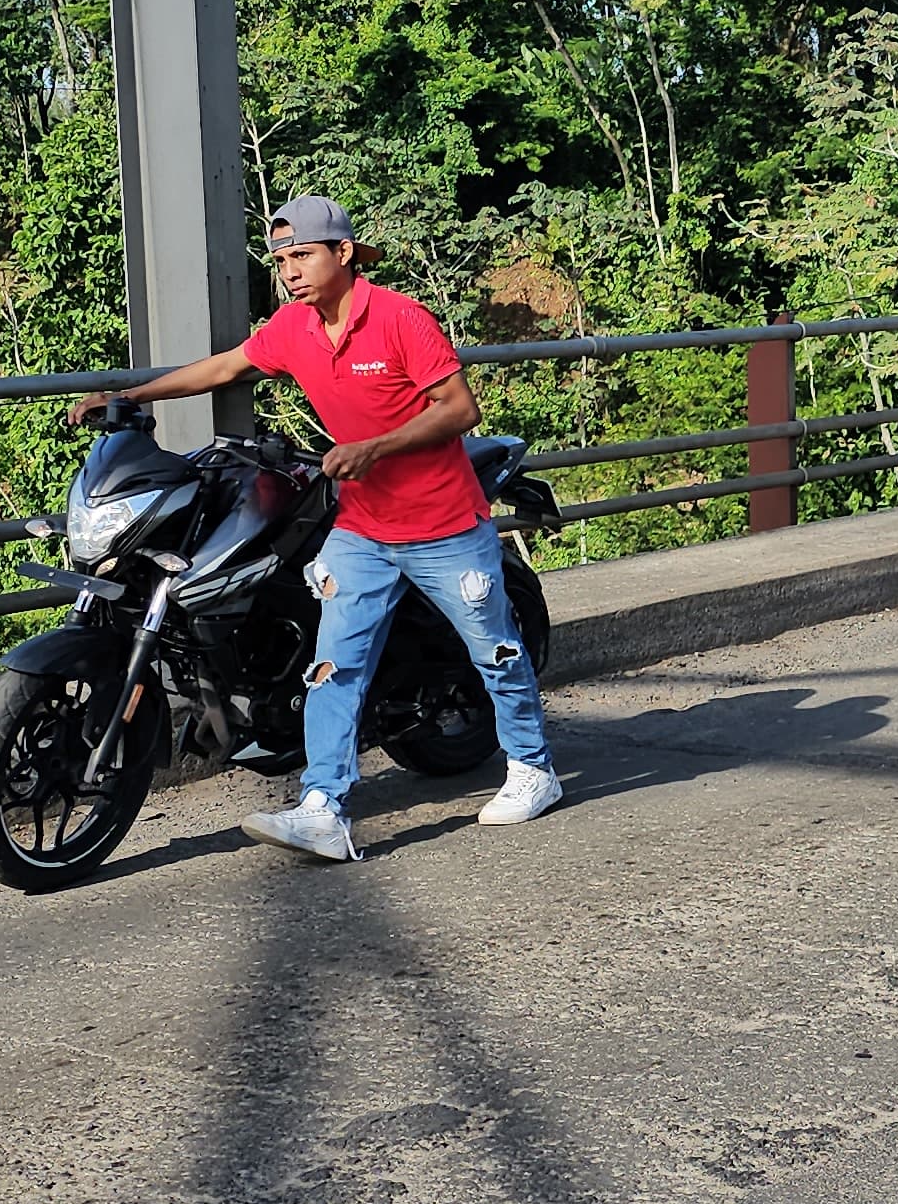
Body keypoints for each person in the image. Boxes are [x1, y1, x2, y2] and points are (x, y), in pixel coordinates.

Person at [71, 196, 560, 861]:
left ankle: (534, 771)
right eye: (280, 260)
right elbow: (225, 367)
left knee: (494, 652)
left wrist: (375, 448)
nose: (290, 271)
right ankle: (323, 806)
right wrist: (130, 398)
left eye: (302, 255)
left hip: (445, 526)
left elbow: (459, 408)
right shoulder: (294, 328)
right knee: (335, 668)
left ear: (344, 253)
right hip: (361, 528)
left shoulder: (398, 318)